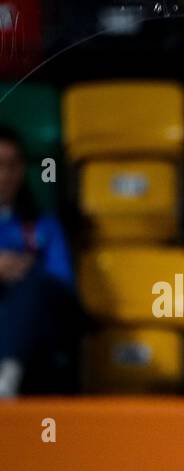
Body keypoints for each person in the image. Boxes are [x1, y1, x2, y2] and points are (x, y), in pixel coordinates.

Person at [0, 126, 77, 398]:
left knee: (33, 278)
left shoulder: (44, 226)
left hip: (34, 329)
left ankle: (7, 374)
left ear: (22, 170)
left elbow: (62, 283)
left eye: (12, 165)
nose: (5, 175)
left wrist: (23, 271)